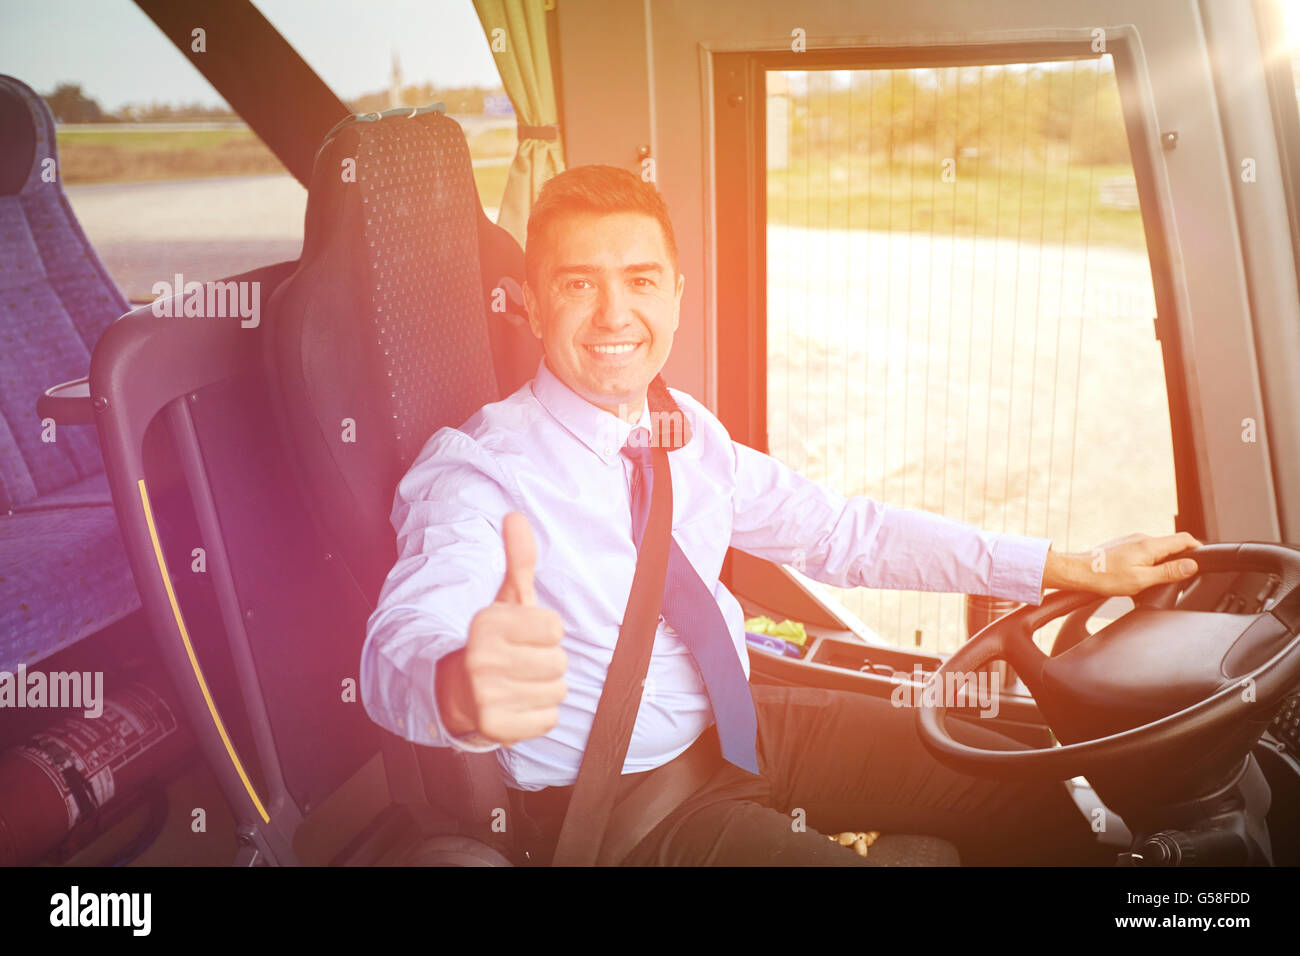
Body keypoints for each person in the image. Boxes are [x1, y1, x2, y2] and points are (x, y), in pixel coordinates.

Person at [359, 164, 1203, 866]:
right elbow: (404, 633)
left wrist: (1066, 566)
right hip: (630, 810)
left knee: (1021, 786)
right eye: (579, 284)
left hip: (745, 726)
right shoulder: (479, 471)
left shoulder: (686, 431)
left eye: (640, 280)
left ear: (677, 296)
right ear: (533, 306)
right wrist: (456, 685)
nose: (616, 314)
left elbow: (843, 532)